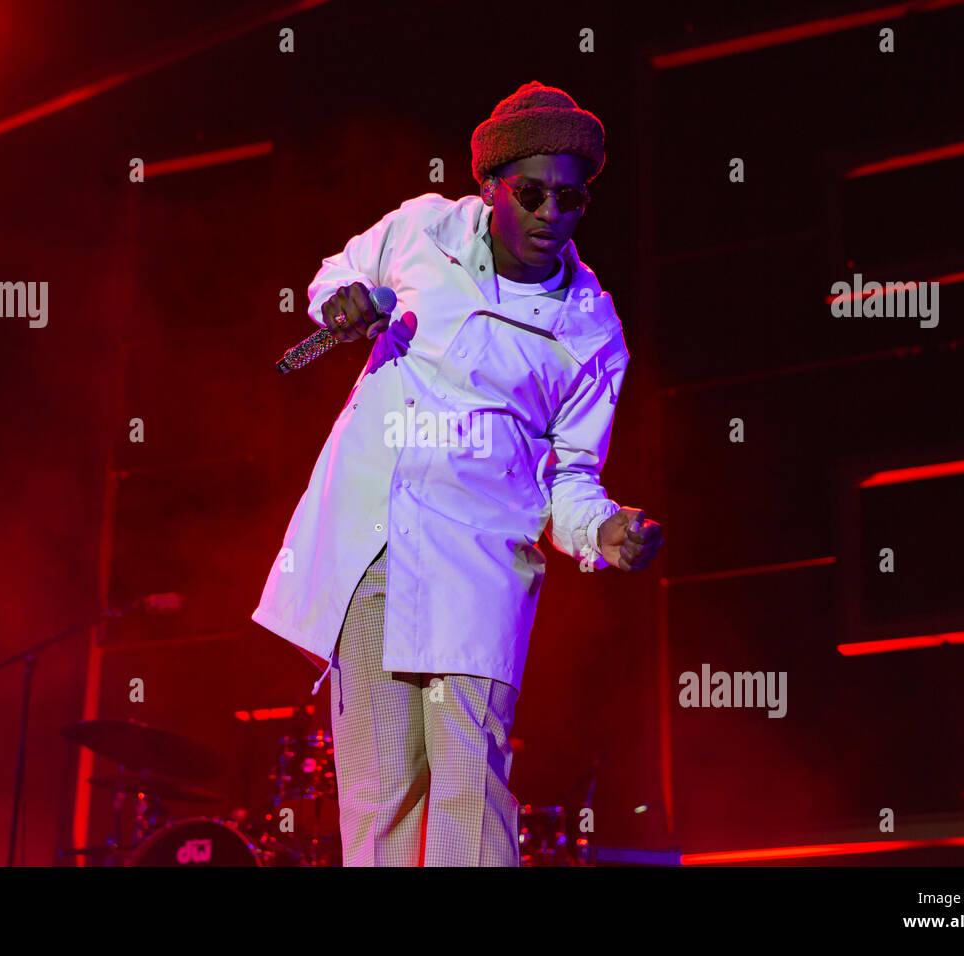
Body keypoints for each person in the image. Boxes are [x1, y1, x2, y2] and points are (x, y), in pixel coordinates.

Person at [252, 81, 663, 866]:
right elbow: (333, 277)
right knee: (378, 799)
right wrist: (341, 302)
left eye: (570, 198)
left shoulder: (590, 327)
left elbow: (571, 479)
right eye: (532, 192)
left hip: (478, 565)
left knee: (471, 795)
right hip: (374, 545)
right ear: (491, 187)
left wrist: (604, 528)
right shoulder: (421, 231)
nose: (550, 213)